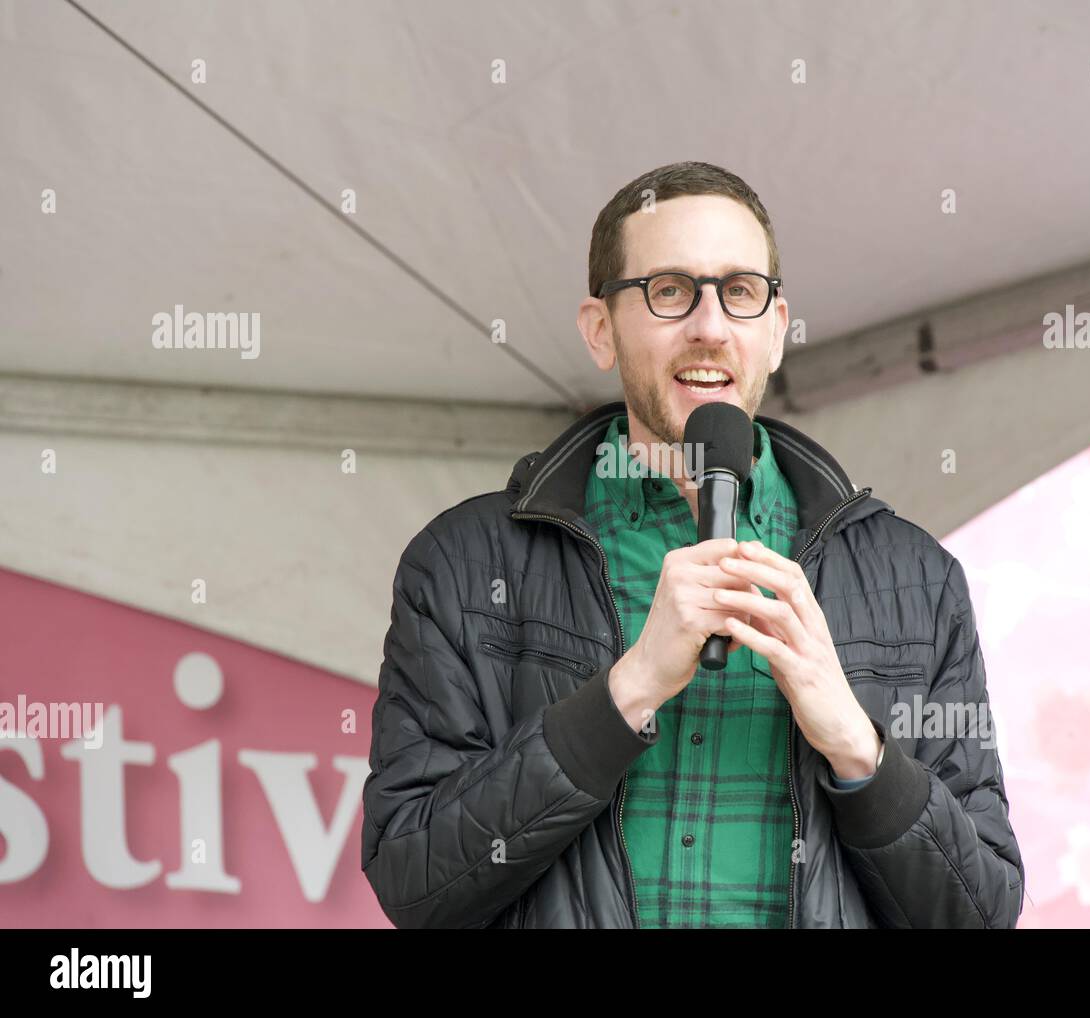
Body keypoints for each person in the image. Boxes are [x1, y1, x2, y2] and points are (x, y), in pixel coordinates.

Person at [361, 160, 1024, 928]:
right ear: (600, 330)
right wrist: (628, 690)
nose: (709, 326)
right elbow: (414, 881)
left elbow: (977, 914)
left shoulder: (916, 579)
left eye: (740, 293)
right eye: (670, 291)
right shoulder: (464, 565)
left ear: (775, 332)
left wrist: (853, 744)